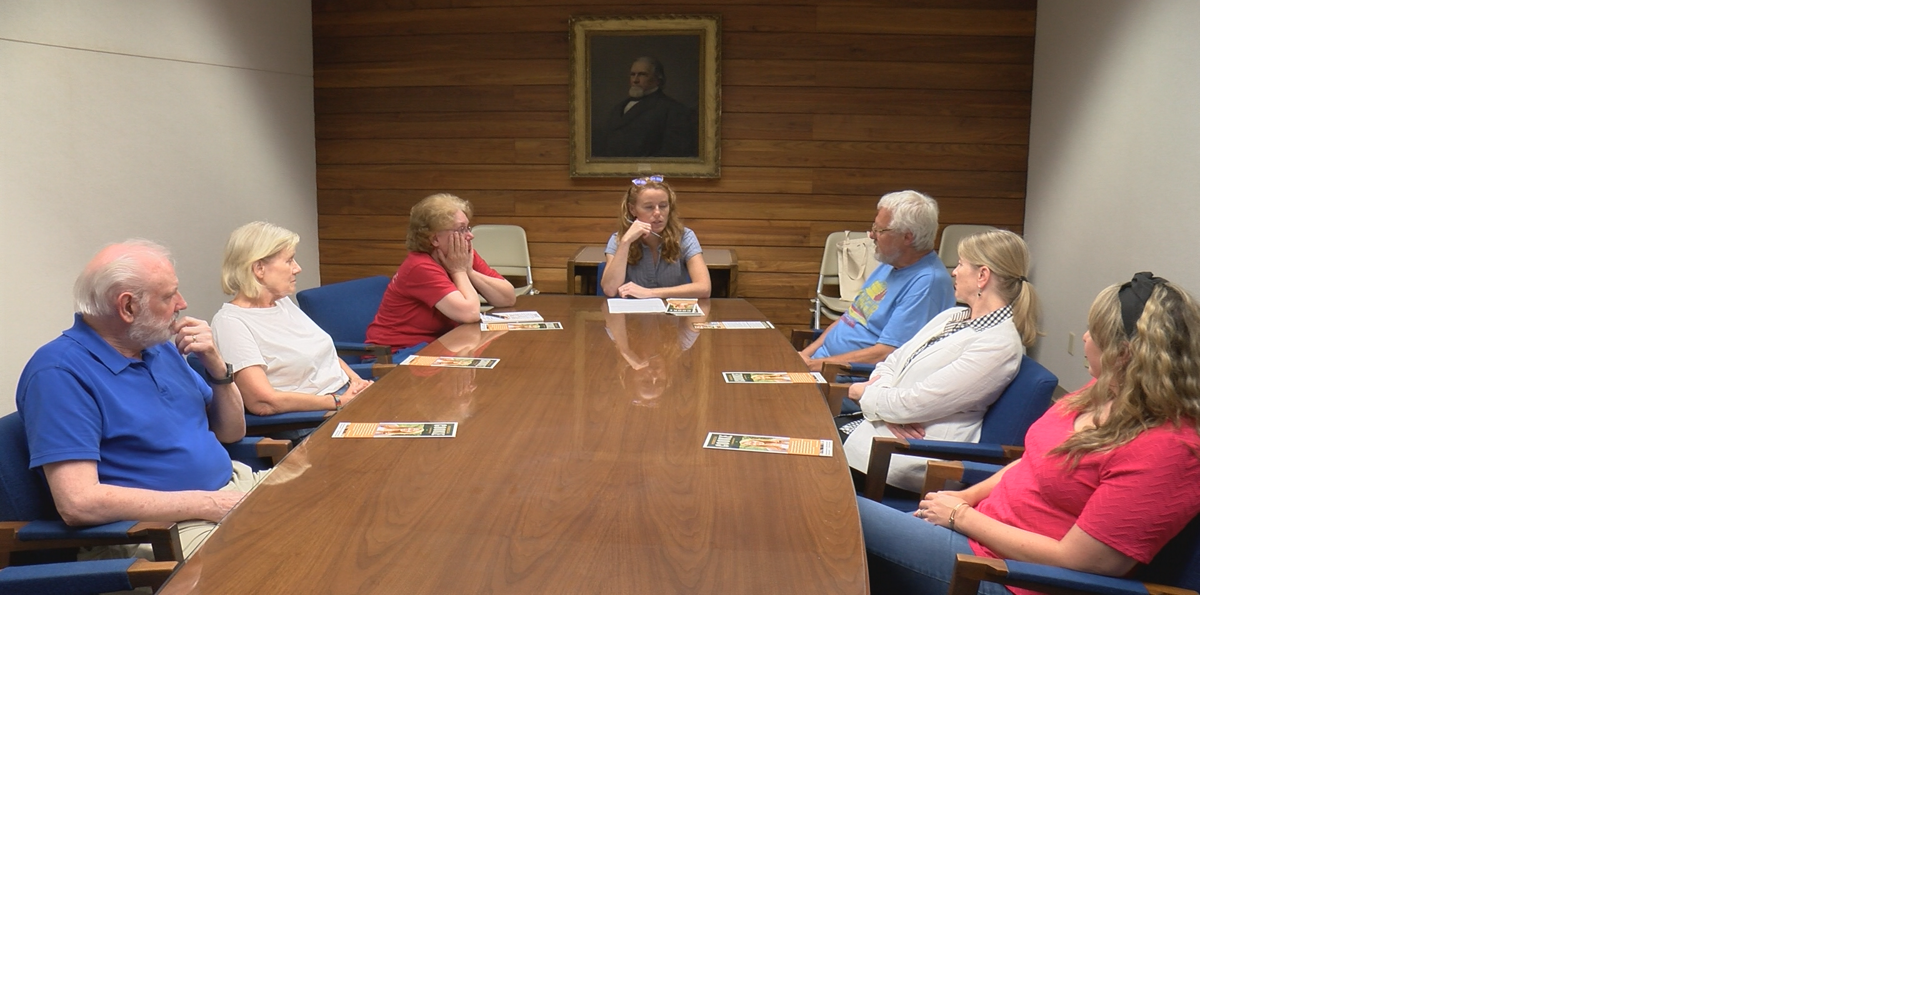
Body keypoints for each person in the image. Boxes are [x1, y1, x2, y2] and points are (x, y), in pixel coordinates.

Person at [857, 273, 1200, 594]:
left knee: (844, 515)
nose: (1084, 337)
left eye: (1093, 332)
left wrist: (960, 517)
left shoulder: (1167, 448)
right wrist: (965, 499)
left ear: (1123, 354)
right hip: (979, 535)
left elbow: (1084, 561)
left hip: (1006, 575)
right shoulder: (1103, 392)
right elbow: (1031, 463)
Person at [15, 240, 262, 559]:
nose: (182, 303)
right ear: (128, 307)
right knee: (288, 557)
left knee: (321, 509)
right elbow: (78, 503)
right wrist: (206, 503)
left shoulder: (159, 346)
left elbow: (231, 432)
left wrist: (217, 367)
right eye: (169, 296)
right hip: (160, 529)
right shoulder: (58, 373)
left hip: (231, 486)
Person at [843, 229, 1040, 492]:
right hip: (877, 431)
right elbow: (892, 362)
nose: (954, 272)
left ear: (982, 276)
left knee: (806, 456)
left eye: (960, 264)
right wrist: (886, 408)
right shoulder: (952, 316)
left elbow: (914, 404)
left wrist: (863, 394)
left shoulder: (998, 345)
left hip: (906, 456)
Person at [211, 221, 371, 417]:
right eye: (289, 261)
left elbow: (323, 353)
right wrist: (338, 401)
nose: (297, 268)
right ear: (259, 268)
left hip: (344, 397)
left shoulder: (282, 303)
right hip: (313, 417)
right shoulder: (231, 323)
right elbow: (263, 402)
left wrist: (356, 381)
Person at [800, 190, 954, 372]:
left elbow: (886, 354)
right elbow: (849, 318)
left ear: (907, 237)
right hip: (820, 365)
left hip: (845, 377)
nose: (871, 235)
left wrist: (815, 365)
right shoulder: (890, 262)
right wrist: (805, 355)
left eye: (879, 230)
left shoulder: (927, 284)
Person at [365, 193, 518, 360]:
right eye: (461, 229)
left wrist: (470, 272)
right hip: (396, 355)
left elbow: (508, 298)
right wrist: (459, 271)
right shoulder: (419, 266)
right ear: (435, 239)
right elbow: (470, 313)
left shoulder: (461, 255)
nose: (470, 235)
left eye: (468, 228)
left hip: (437, 346)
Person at [600, 176, 712, 300]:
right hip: (633, 311)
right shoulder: (619, 239)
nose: (658, 213)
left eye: (663, 206)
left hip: (672, 311)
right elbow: (610, 289)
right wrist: (626, 242)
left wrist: (650, 293)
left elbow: (704, 288)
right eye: (649, 207)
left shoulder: (685, 236)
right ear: (632, 209)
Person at [595, 56, 697, 158]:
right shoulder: (618, 108)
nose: (635, 80)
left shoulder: (673, 110)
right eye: (632, 74)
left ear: (658, 80)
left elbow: (674, 153)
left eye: (642, 75)